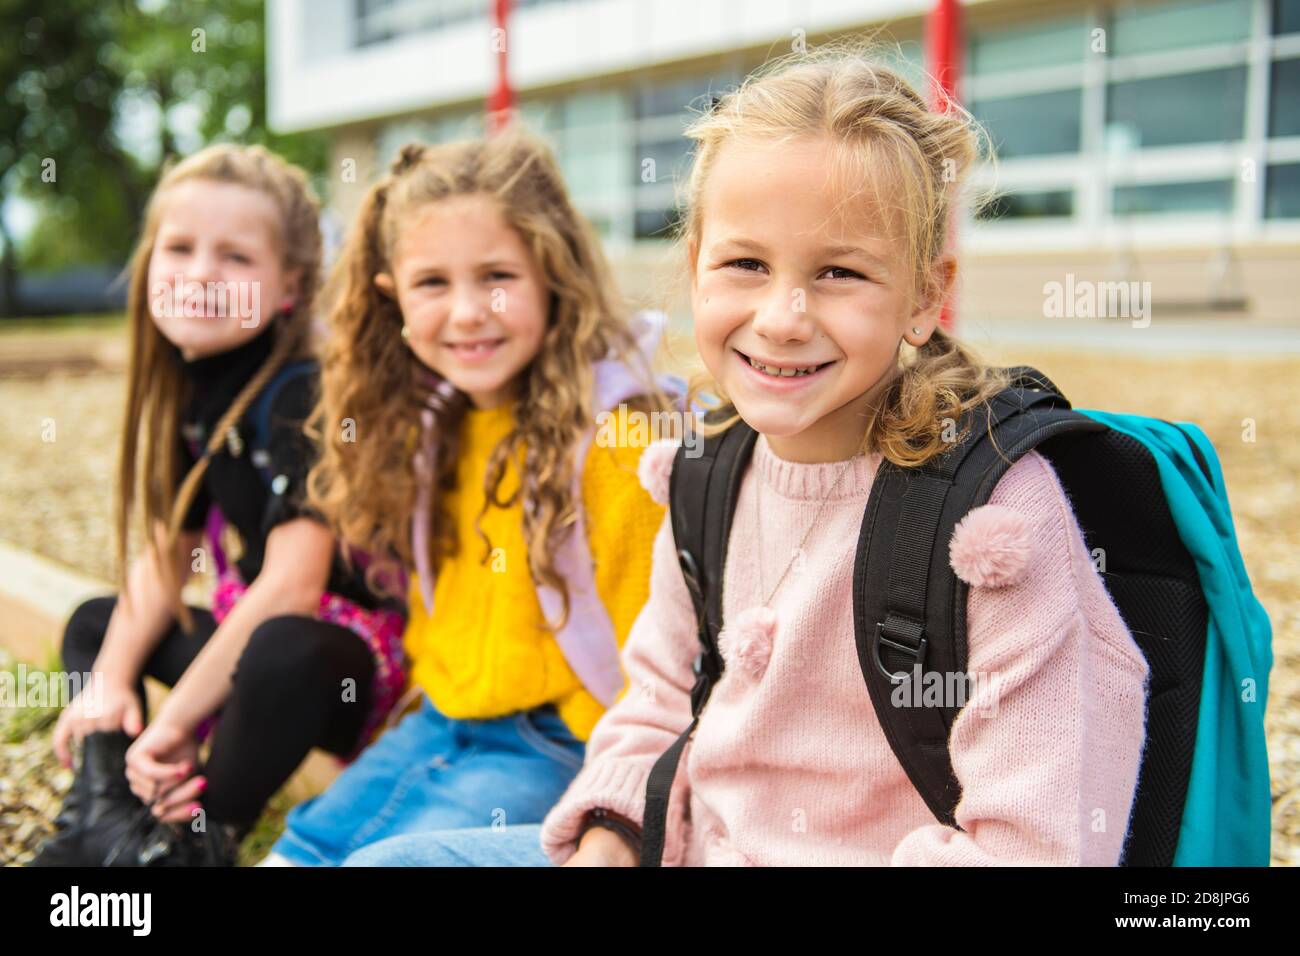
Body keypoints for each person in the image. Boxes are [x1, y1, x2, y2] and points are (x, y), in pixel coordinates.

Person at [343, 41, 1151, 868]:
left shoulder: (995, 518)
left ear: (924, 297)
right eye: (746, 264)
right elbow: (657, 709)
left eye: (838, 271)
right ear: (695, 270)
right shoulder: (704, 473)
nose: (783, 316)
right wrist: (608, 839)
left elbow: (1034, 845)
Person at [261, 129, 674, 866]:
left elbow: (660, 660)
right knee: (305, 846)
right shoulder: (435, 420)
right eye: (432, 284)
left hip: (563, 737)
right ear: (390, 294)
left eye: (496, 277)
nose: (467, 313)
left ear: (554, 273)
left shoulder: (618, 440)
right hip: (445, 720)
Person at [34, 144, 406, 868]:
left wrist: (174, 719)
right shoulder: (197, 393)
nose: (202, 272)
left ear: (290, 288)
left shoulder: (302, 392)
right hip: (256, 639)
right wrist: (110, 685)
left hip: (341, 667)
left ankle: (193, 842)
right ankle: (104, 818)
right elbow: (167, 558)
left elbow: (296, 586)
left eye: (236, 257)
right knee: (98, 625)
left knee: (282, 647)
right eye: (179, 247)